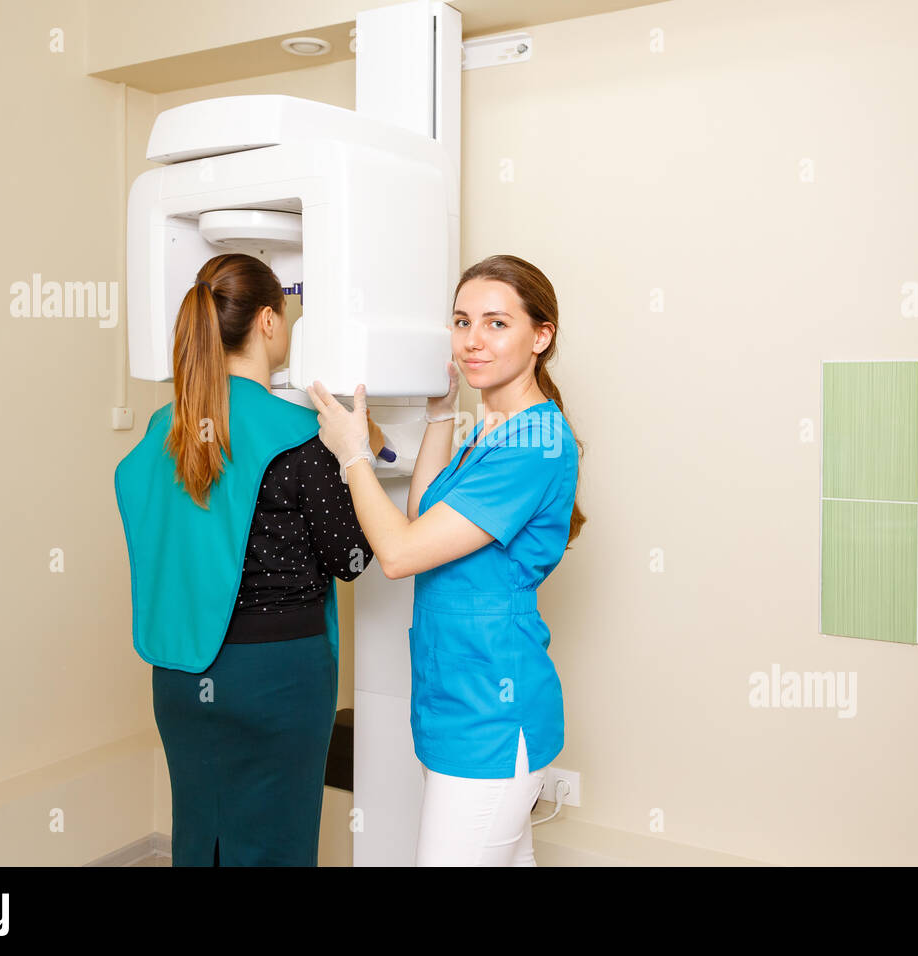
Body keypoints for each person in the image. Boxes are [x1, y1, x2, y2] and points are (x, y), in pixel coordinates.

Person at [309, 253, 585, 866]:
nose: (472, 341)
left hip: (491, 711)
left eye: (496, 323)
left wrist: (355, 454)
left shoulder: (534, 444)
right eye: (461, 323)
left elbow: (401, 553)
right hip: (460, 699)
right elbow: (422, 515)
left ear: (542, 336)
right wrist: (440, 415)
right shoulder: (495, 429)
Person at [114, 252, 385, 866]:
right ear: (267, 322)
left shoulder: (166, 428)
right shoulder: (299, 433)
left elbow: (144, 503)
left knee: (201, 841)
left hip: (180, 675)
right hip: (276, 680)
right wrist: (356, 457)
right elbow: (351, 560)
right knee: (273, 848)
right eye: (284, 314)